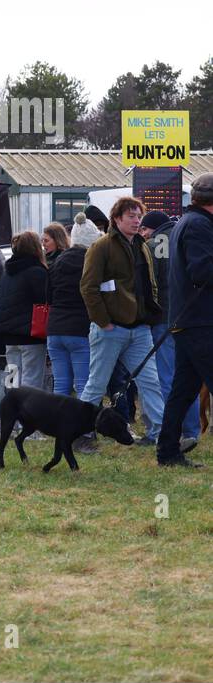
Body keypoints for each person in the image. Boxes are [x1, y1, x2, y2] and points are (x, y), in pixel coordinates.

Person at [78, 196, 165, 446]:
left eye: (139, 216)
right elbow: (88, 287)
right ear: (117, 218)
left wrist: (148, 313)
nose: (137, 220)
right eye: (131, 216)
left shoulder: (143, 246)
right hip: (110, 329)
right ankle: (82, 434)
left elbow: (150, 284)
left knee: (151, 382)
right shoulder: (101, 246)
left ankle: (159, 434)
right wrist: (103, 322)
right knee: (97, 384)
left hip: (139, 329)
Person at [154, 172, 213, 467]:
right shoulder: (199, 226)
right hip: (201, 321)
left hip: (188, 320)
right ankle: (166, 451)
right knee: (182, 391)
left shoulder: (187, 223)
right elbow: (202, 272)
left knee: (182, 392)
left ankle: (167, 451)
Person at [141, 209, 201, 448]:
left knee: (166, 377)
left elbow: (148, 283)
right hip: (188, 317)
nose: (142, 232)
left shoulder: (150, 246)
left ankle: (170, 430)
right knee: (189, 377)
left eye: (145, 228)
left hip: (161, 319)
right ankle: (192, 430)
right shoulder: (184, 239)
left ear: (153, 228)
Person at [46, 213, 99, 400]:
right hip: (79, 328)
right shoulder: (92, 262)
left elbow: (48, 295)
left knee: (60, 384)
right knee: (83, 383)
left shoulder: (57, 261)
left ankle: (58, 426)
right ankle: (84, 427)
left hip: (54, 329)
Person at [0, 231, 49, 394]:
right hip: (30, 336)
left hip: (9, 336)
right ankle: (27, 418)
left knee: (12, 378)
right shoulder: (37, 271)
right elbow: (44, 300)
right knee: (31, 380)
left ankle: (10, 414)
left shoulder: (8, 272)